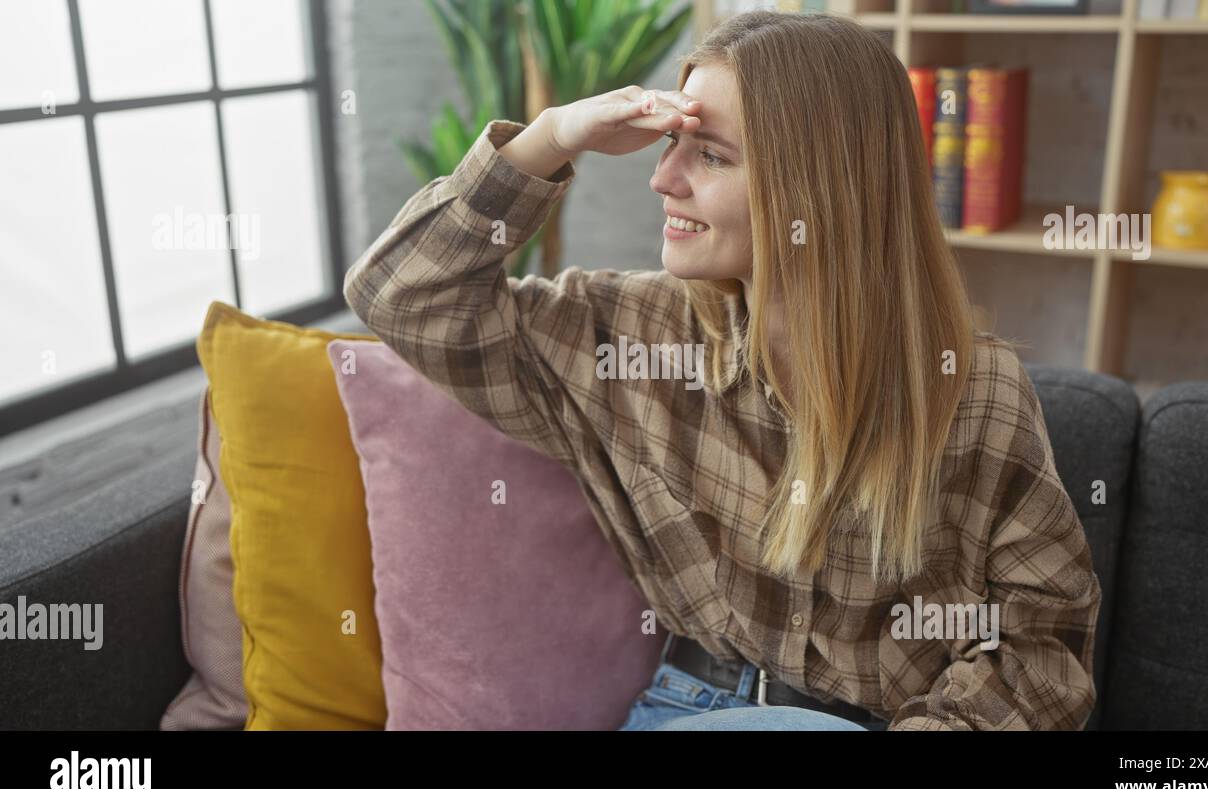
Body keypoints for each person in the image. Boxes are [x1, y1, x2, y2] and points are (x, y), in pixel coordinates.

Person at [343, 10, 1101, 731]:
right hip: (689, 707)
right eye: (671, 145)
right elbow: (402, 294)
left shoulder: (975, 394)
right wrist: (549, 137)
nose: (662, 178)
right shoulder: (628, 338)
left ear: (818, 189)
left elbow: (1041, 651)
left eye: (709, 155)